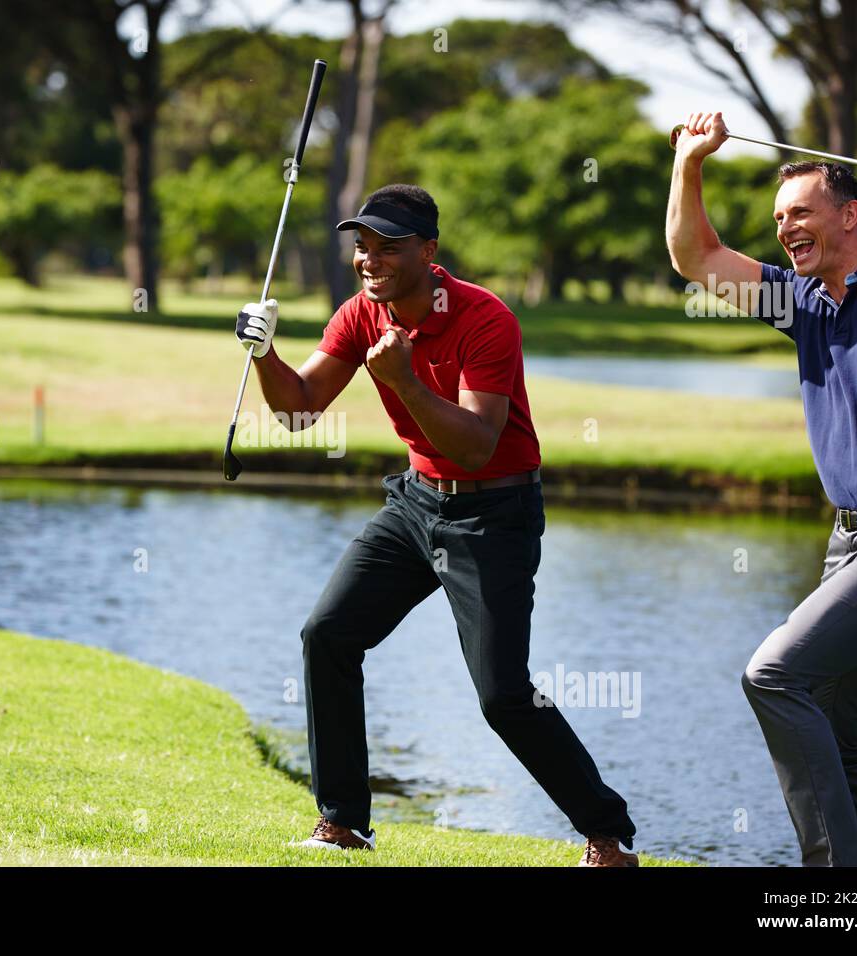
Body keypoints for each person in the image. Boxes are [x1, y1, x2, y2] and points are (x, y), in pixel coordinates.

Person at [235, 184, 639, 866]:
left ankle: (608, 835)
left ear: (429, 250)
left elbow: (478, 443)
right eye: (362, 246)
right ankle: (342, 824)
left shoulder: (487, 319)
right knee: (327, 634)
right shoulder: (361, 314)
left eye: (388, 247)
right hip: (417, 504)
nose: (370, 259)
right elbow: (301, 409)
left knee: (503, 695)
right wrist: (264, 353)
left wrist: (406, 382)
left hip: (495, 513)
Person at [667, 111, 857, 866]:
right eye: (779, 217)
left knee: (774, 675)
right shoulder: (802, 301)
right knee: (833, 726)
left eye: (802, 212)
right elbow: (698, 257)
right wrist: (690, 163)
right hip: (847, 542)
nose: (786, 227)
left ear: (850, 214)